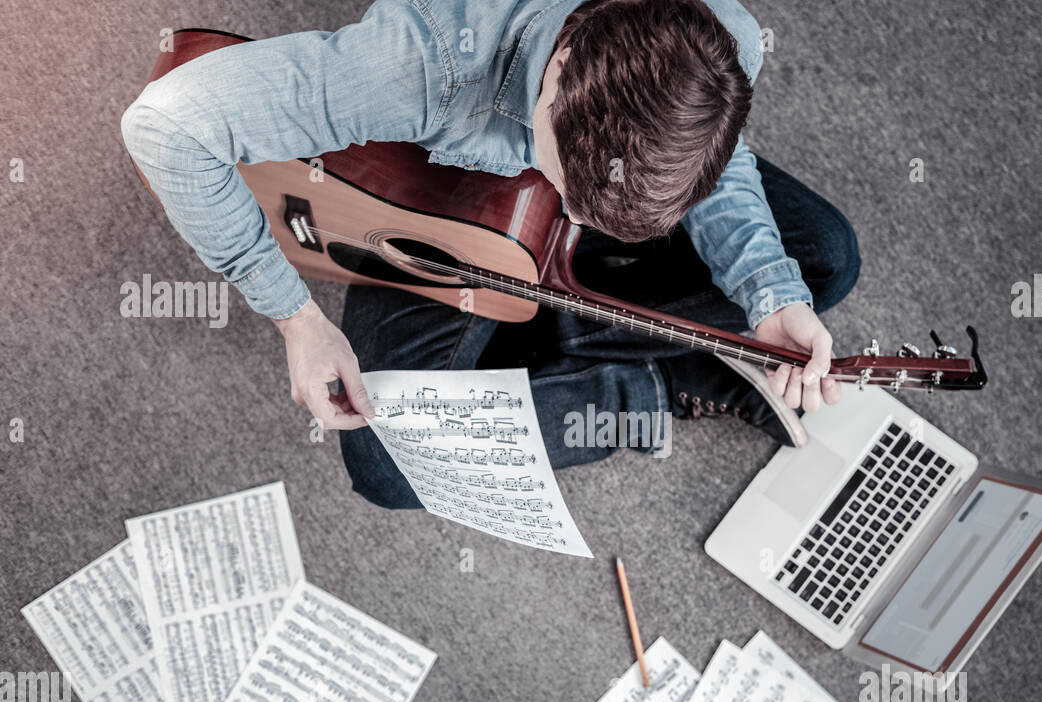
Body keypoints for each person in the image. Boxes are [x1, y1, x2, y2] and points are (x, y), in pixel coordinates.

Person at [122, 0, 860, 509]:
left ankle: (557, 318)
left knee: (823, 261)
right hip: (434, 200)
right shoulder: (415, 68)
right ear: (563, 71)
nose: (576, 216)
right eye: (567, 189)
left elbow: (721, 166)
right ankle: (654, 385)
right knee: (388, 459)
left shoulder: (725, 33)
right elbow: (164, 126)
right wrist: (295, 319)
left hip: (512, 220)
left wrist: (769, 293)